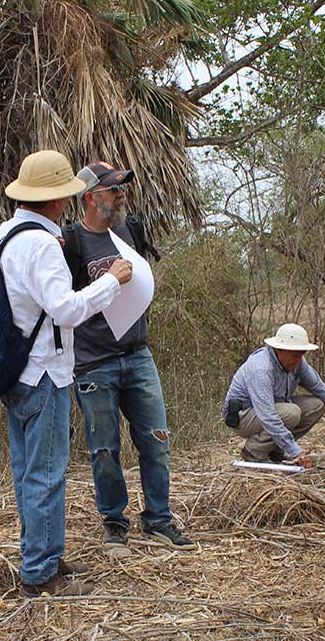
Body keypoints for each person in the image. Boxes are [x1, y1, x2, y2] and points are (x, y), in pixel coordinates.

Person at [0, 150, 133, 597]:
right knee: (45, 474)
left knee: (28, 472)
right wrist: (112, 280)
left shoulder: (6, 235)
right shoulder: (42, 246)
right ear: (57, 200)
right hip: (44, 373)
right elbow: (66, 310)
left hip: (14, 371)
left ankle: (46, 554)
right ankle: (39, 573)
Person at [62, 161, 195, 553]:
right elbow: (65, 303)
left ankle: (158, 519)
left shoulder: (130, 231)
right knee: (104, 449)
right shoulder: (71, 243)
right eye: (112, 190)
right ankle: (114, 523)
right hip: (93, 362)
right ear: (89, 197)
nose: (121, 196)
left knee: (156, 440)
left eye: (121, 189)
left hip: (138, 356)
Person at [222, 323, 325, 467]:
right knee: (291, 413)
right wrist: (296, 452)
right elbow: (268, 416)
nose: (299, 360)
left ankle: (274, 450)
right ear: (280, 350)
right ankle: (254, 451)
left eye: (302, 354)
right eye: (295, 355)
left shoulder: (297, 362)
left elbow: (317, 385)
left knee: (317, 406)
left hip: (270, 411)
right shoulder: (261, 369)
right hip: (243, 417)